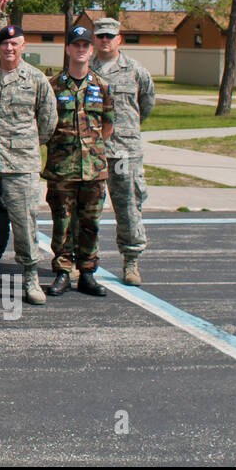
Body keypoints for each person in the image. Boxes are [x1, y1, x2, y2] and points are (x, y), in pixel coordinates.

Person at [0, 25, 56, 305]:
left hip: (21, 165)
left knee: (25, 223)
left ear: (23, 45)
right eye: (5, 44)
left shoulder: (37, 80)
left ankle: (30, 277)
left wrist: (25, 144)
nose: (9, 49)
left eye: (14, 44)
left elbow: (48, 121)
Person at [44, 26, 115, 297]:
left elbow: (107, 126)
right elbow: (46, 125)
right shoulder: (53, 86)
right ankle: (62, 271)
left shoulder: (102, 86)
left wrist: (91, 148)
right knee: (61, 221)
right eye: (76, 44)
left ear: (91, 49)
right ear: (68, 49)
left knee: (91, 223)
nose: (81, 49)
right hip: (62, 168)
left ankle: (87, 273)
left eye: (86, 44)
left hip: (94, 169)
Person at [90, 16, 155, 286]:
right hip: (92, 150)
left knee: (128, 206)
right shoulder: (86, 67)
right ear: (95, 39)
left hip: (124, 153)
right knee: (88, 208)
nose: (105, 40)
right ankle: (83, 262)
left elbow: (146, 103)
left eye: (110, 36)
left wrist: (127, 130)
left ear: (119, 39)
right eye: (101, 36)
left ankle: (131, 260)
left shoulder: (135, 70)